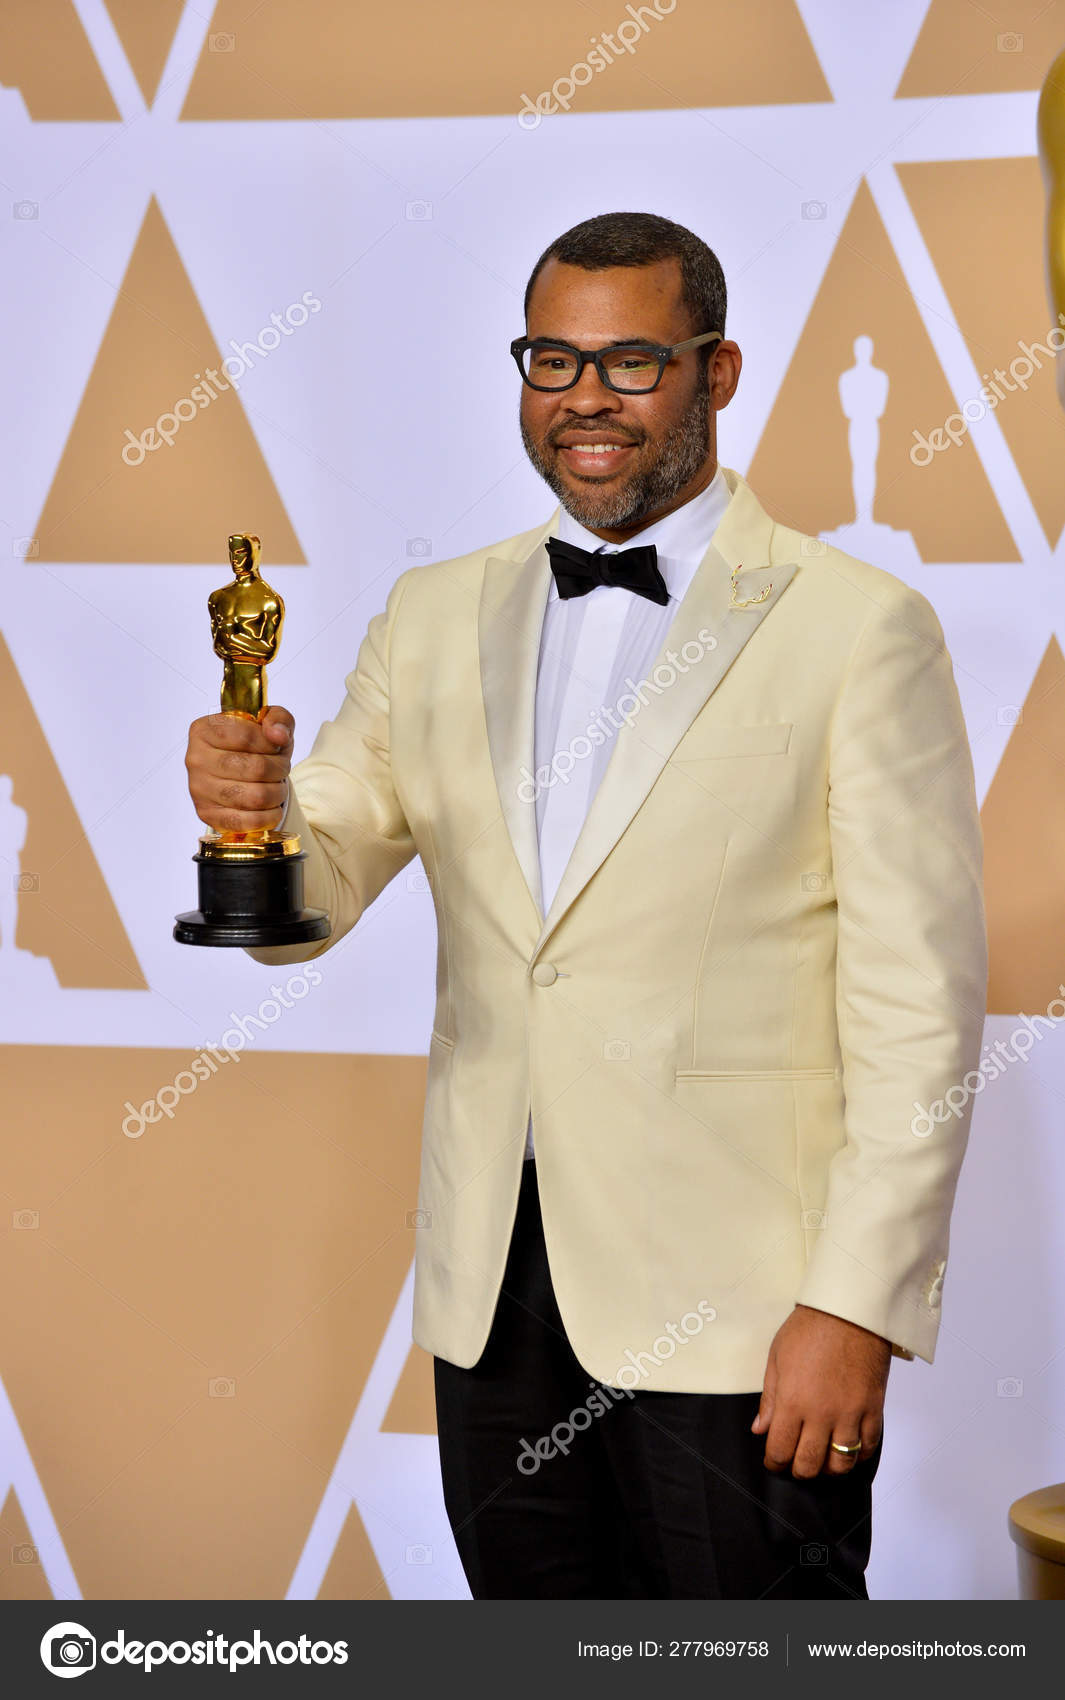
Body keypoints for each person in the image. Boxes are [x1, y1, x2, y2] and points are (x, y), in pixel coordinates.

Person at [183, 212, 987, 1600]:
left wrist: (852, 1303)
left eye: (630, 364)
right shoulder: (433, 614)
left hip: (744, 1314)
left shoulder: (856, 626)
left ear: (716, 372)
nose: (584, 405)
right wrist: (250, 815)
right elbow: (321, 883)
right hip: (496, 1300)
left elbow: (921, 1005)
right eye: (552, 362)